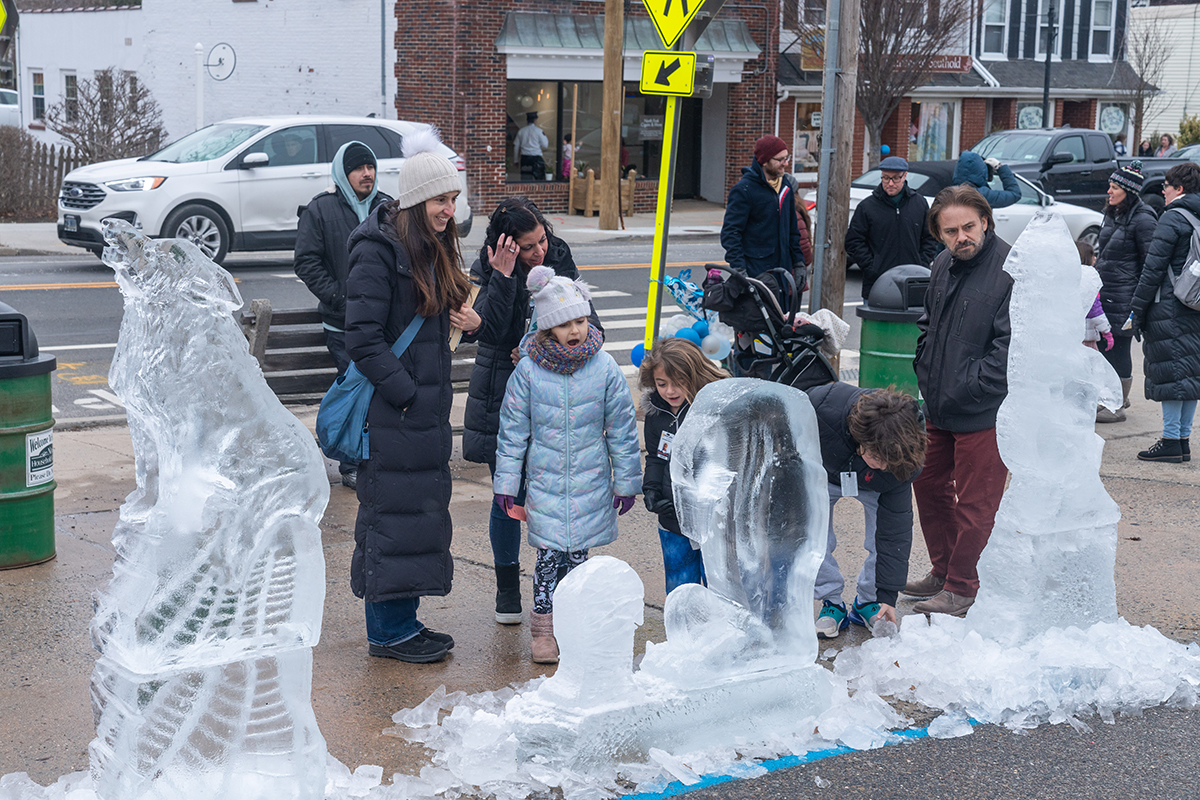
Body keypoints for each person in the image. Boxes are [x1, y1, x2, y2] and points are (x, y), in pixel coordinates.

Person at [344, 129, 481, 664]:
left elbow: (437, 318)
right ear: (417, 200)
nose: (450, 210)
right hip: (394, 412)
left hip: (420, 412)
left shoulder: (428, 247)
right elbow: (362, 338)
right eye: (441, 200)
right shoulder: (378, 251)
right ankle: (387, 633)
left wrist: (471, 316)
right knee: (390, 519)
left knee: (416, 520)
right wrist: (405, 395)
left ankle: (403, 623)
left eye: (453, 199)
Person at [462, 198, 602, 625]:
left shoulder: (558, 255)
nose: (539, 251)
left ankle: (559, 589)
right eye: (528, 246)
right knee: (508, 495)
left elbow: (589, 324)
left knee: (556, 495)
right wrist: (504, 276)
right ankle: (507, 588)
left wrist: (543, 348)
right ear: (507, 245)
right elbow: (487, 332)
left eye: (542, 239)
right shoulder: (487, 266)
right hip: (501, 389)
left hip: (554, 393)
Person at [492, 267, 642, 664]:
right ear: (547, 328)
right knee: (547, 559)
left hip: (590, 481)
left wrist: (626, 482)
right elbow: (513, 431)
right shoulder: (528, 371)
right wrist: (506, 482)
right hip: (546, 482)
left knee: (578, 562)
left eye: (579, 320)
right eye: (563, 324)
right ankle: (543, 632)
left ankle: (573, 627)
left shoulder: (605, 367)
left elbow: (622, 428)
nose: (574, 330)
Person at [905, 185, 1012, 618]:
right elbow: (928, 323)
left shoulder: (1010, 269)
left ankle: (963, 587)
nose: (961, 237)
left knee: (975, 503)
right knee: (926, 483)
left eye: (969, 227)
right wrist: (925, 367)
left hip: (984, 409)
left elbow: (1010, 348)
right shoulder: (942, 263)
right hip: (938, 403)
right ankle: (944, 571)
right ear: (939, 233)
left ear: (985, 221)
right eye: (951, 231)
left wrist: (973, 386)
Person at [294, 141, 393, 489]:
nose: (367, 174)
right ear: (343, 172)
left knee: (382, 388)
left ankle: (379, 457)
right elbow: (306, 261)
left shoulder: (388, 208)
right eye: (358, 168)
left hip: (385, 322)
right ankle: (352, 463)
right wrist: (338, 298)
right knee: (354, 389)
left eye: (371, 167)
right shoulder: (320, 210)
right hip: (342, 324)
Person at [807, 384, 927, 637]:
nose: (883, 465)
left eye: (887, 461)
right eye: (878, 458)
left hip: (877, 485)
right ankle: (831, 601)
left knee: (880, 537)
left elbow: (894, 533)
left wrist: (888, 596)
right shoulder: (820, 407)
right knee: (813, 533)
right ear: (861, 440)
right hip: (824, 473)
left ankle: (869, 602)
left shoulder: (902, 460)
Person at [638, 338, 730, 594]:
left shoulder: (714, 409)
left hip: (713, 518)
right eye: (661, 384)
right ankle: (683, 622)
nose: (670, 391)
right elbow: (656, 457)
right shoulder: (656, 413)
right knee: (680, 587)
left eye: (679, 382)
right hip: (672, 517)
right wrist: (651, 490)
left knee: (718, 588)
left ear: (695, 375)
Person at [1129, 162, 1200, 463]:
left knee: (1172, 372)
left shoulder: (1172, 217)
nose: (1163, 191)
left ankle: (1171, 440)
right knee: (1190, 373)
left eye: (1166, 186)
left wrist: (1137, 310)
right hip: (1195, 302)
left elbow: (1153, 269)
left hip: (1170, 306)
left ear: (1179, 189)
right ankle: (1182, 441)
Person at [1093, 161, 1158, 423]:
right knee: (1104, 346)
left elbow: (1151, 263)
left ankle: (1117, 406)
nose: (1109, 191)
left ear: (1128, 191)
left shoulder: (1143, 219)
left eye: (1114, 187)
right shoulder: (1113, 213)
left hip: (1126, 296)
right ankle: (1111, 397)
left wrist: (1140, 301)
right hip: (1105, 292)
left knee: (1118, 348)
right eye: (1109, 185)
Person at [844, 155, 940, 300]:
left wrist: (921, 264)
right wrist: (872, 267)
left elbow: (930, 237)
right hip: (877, 283)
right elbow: (853, 241)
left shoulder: (919, 203)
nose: (890, 183)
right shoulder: (867, 207)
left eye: (895, 178)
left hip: (912, 281)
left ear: (905, 176)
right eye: (885, 178)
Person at [720, 135, 805, 287]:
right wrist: (739, 269)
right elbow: (730, 233)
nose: (785, 163)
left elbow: (793, 230)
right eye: (780, 159)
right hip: (756, 272)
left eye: (787, 158)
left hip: (783, 272)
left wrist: (799, 263)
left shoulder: (786, 186)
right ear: (764, 161)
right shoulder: (744, 190)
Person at [1076, 240, 1114, 353]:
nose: (1095, 258)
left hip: (1073, 336)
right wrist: (1106, 332)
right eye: (1092, 255)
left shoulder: (1071, 277)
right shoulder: (1089, 280)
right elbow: (1095, 310)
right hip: (1087, 338)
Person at [951, 151, 1021, 210]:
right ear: (982, 171)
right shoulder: (982, 194)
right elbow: (1015, 194)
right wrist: (999, 167)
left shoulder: (950, 192)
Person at [515, 112, 549, 181]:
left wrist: (516, 160)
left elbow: (516, 146)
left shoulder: (521, 131)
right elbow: (545, 145)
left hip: (525, 158)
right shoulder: (539, 131)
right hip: (536, 158)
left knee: (525, 180)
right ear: (535, 120)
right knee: (539, 180)